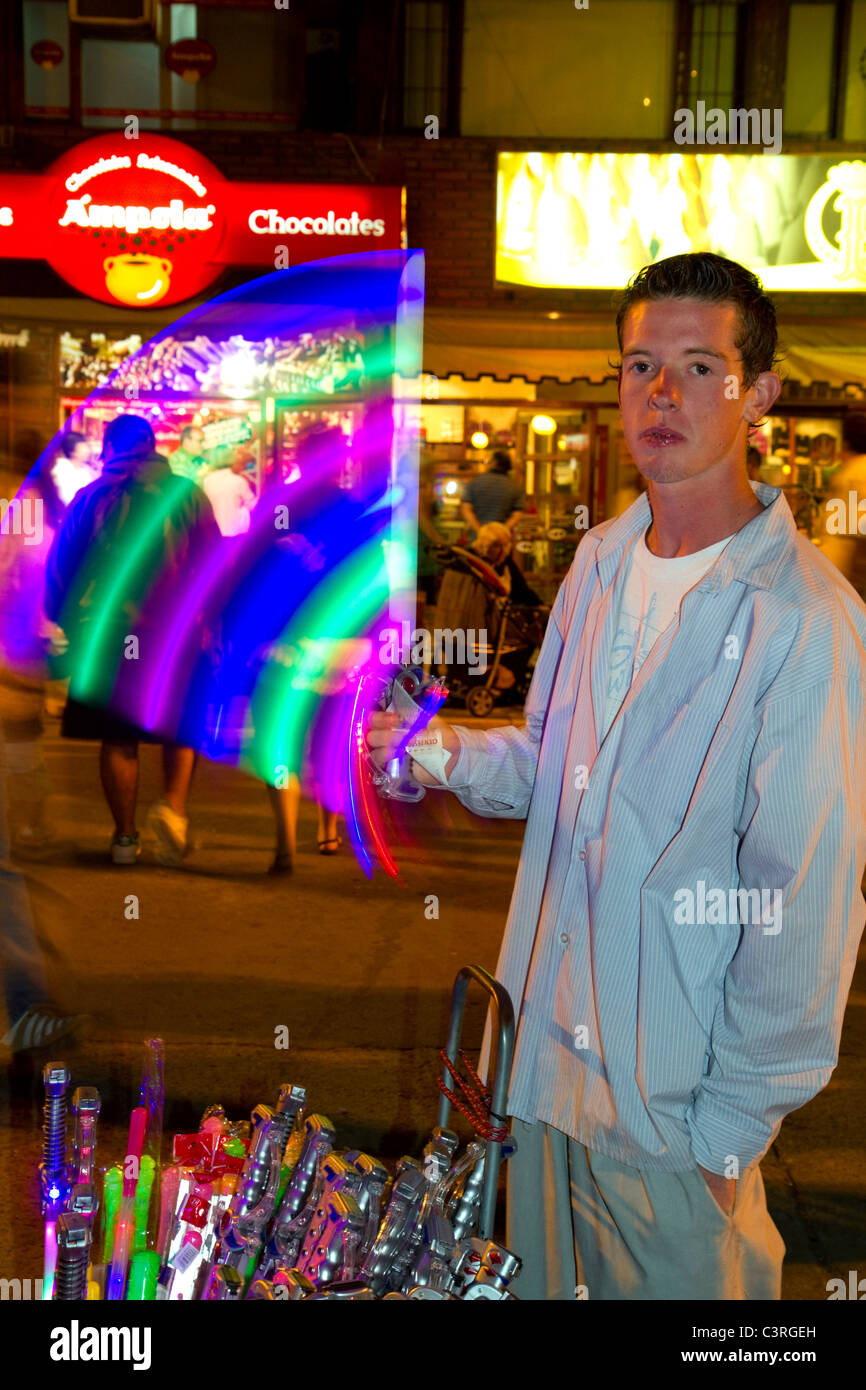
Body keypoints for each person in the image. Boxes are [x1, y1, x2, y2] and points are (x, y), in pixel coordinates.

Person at [368, 251, 866, 1301]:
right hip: (538, 1083)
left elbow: (803, 902)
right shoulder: (598, 559)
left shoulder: (804, 621)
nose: (661, 394)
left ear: (759, 392)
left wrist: (727, 1136)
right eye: (639, 364)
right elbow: (562, 774)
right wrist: (425, 751)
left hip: (667, 1118)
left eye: (697, 366)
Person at [44, 414, 220, 866]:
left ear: (109, 447)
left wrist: (60, 617)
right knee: (180, 726)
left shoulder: (91, 497)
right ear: (153, 446)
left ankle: (124, 837)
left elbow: (63, 563)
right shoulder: (186, 494)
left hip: (110, 632)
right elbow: (214, 562)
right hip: (177, 629)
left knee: (117, 735)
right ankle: (174, 810)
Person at [815, 411, 866, 602]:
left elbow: (855, 538)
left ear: (845, 444)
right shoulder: (854, 472)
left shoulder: (854, 475)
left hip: (842, 585)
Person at [460, 450, 524, 537]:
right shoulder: (514, 487)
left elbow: (466, 509)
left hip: (477, 541)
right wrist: (501, 531)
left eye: (488, 461)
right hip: (501, 542)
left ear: (493, 463)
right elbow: (517, 515)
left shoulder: (476, 482)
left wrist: (480, 531)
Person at [201, 451, 258, 538]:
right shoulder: (238, 481)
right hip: (235, 529)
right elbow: (251, 503)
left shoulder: (206, 481)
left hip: (215, 530)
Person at [51, 430, 100, 507]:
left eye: (87, 447)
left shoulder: (86, 470)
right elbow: (67, 500)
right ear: (72, 451)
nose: (88, 451)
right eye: (84, 447)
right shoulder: (61, 471)